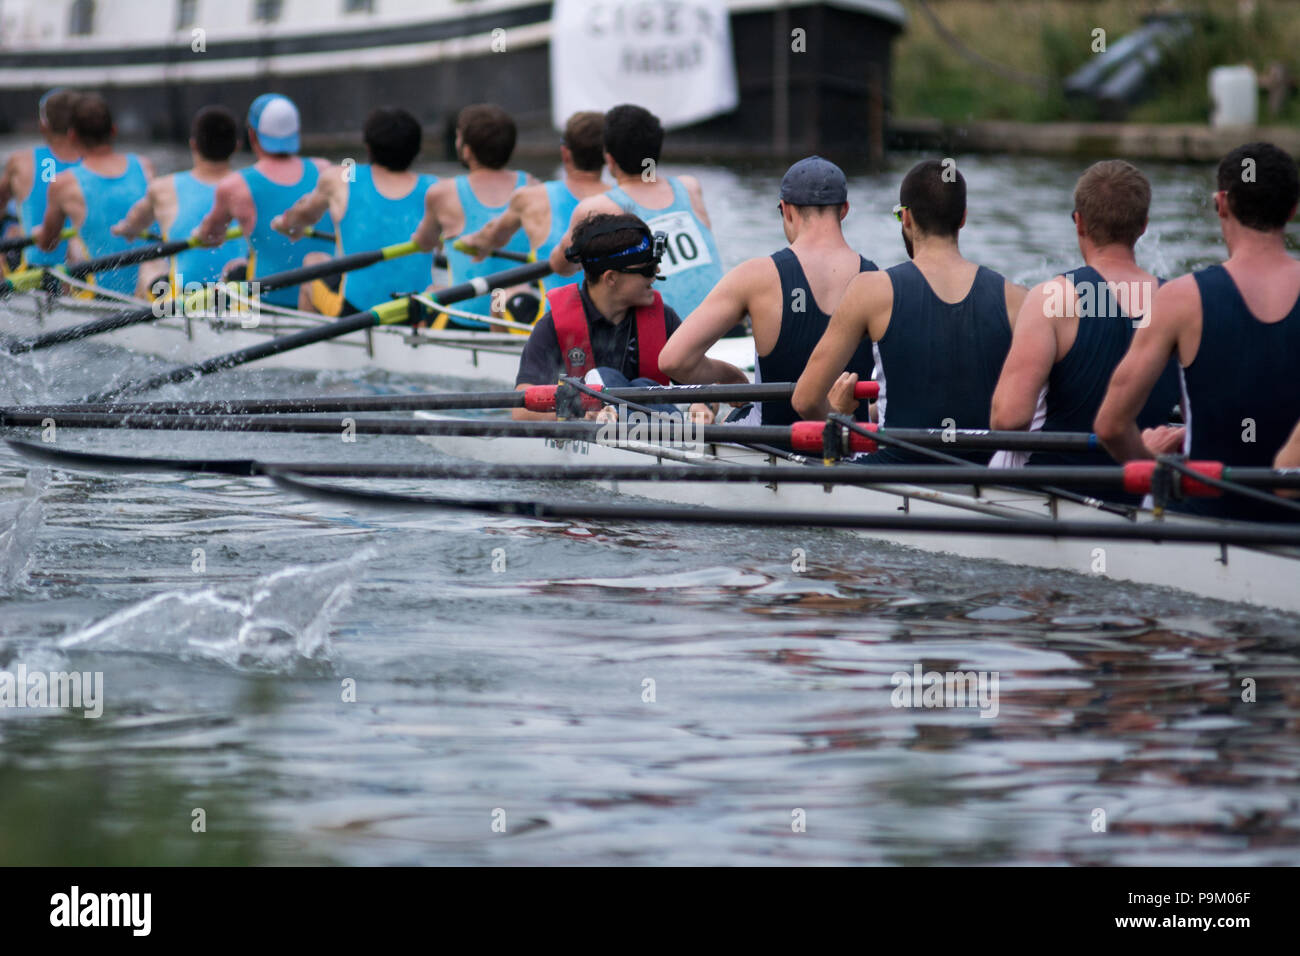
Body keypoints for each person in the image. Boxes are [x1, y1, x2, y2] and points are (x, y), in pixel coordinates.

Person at [1096, 141, 1300, 522]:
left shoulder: (1180, 299)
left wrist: (1157, 473)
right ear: (1292, 209)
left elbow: (1110, 425)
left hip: (1198, 523)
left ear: (1221, 203)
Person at [792, 159, 1027, 463]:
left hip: (894, 477)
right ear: (963, 218)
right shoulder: (1017, 299)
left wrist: (842, 420)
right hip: (983, 478)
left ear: (906, 219)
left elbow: (806, 399)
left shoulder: (870, 291)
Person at [988, 160, 1181, 469]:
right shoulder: (1181, 303)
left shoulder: (1052, 297)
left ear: (1078, 222)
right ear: (1143, 225)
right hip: (1139, 485)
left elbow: (1009, 419)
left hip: (1050, 492)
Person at [658, 156, 876, 426]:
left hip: (772, 448)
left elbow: (673, 361)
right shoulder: (877, 280)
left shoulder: (755, 276)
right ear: (844, 210)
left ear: (786, 210)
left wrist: (731, 377)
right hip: (853, 446)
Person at [512, 212, 742, 422]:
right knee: (605, 378)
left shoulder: (664, 319)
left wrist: (702, 406)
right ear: (611, 278)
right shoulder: (553, 326)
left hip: (652, 429)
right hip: (586, 435)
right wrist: (578, 413)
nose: (657, 274)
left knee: (643, 386)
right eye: (648, 269)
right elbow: (520, 411)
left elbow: (704, 390)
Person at [546, 104, 724, 322]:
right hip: (726, 320)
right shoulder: (689, 187)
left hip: (674, 334)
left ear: (609, 159)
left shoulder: (598, 207)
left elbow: (561, 266)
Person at [271, 106, 436, 315]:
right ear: (416, 149)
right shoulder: (435, 188)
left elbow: (302, 217)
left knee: (313, 261)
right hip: (415, 310)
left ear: (368, 147)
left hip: (356, 311)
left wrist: (285, 223)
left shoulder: (342, 178)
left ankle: (314, 344)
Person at [457, 110, 608, 324]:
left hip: (556, 324)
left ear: (565, 153)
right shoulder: (620, 199)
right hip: (610, 318)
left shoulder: (530, 197)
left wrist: (473, 241)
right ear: (607, 156)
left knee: (501, 294)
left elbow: (495, 237)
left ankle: (502, 353)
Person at [194, 93, 333, 308]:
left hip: (271, 303)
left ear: (252, 136)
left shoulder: (234, 185)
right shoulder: (325, 169)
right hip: (323, 301)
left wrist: (197, 234)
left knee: (233, 269)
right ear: (296, 133)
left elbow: (211, 237)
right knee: (241, 265)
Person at [410, 103, 537, 326]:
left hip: (464, 319)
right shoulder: (531, 186)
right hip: (513, 318)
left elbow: (423, 244)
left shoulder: (442, 193)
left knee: (430, 292)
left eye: (458, 137)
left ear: (467, 150)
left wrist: (438, 239)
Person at [111, 105, 247, 294]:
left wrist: (125, 229)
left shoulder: (162, 188)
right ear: (237, 146)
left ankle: (144, 321)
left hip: (183, 300)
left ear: (193, 144)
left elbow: (134, 224)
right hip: (239, 298)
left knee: (150, 264)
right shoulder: (250, 185)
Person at [35, 92, 153, 296]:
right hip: (151, 295)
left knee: (72, 247)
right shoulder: (144, 166)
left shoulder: (63, 183)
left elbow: (48, 244)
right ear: (114, 130)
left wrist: (39, 234)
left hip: (100, 300)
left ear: (72, 136)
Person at [0, 88, 81, 270]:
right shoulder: (98, 163)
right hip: (87, 271)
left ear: (43, 125)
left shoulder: (21, 162)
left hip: (37, 270)